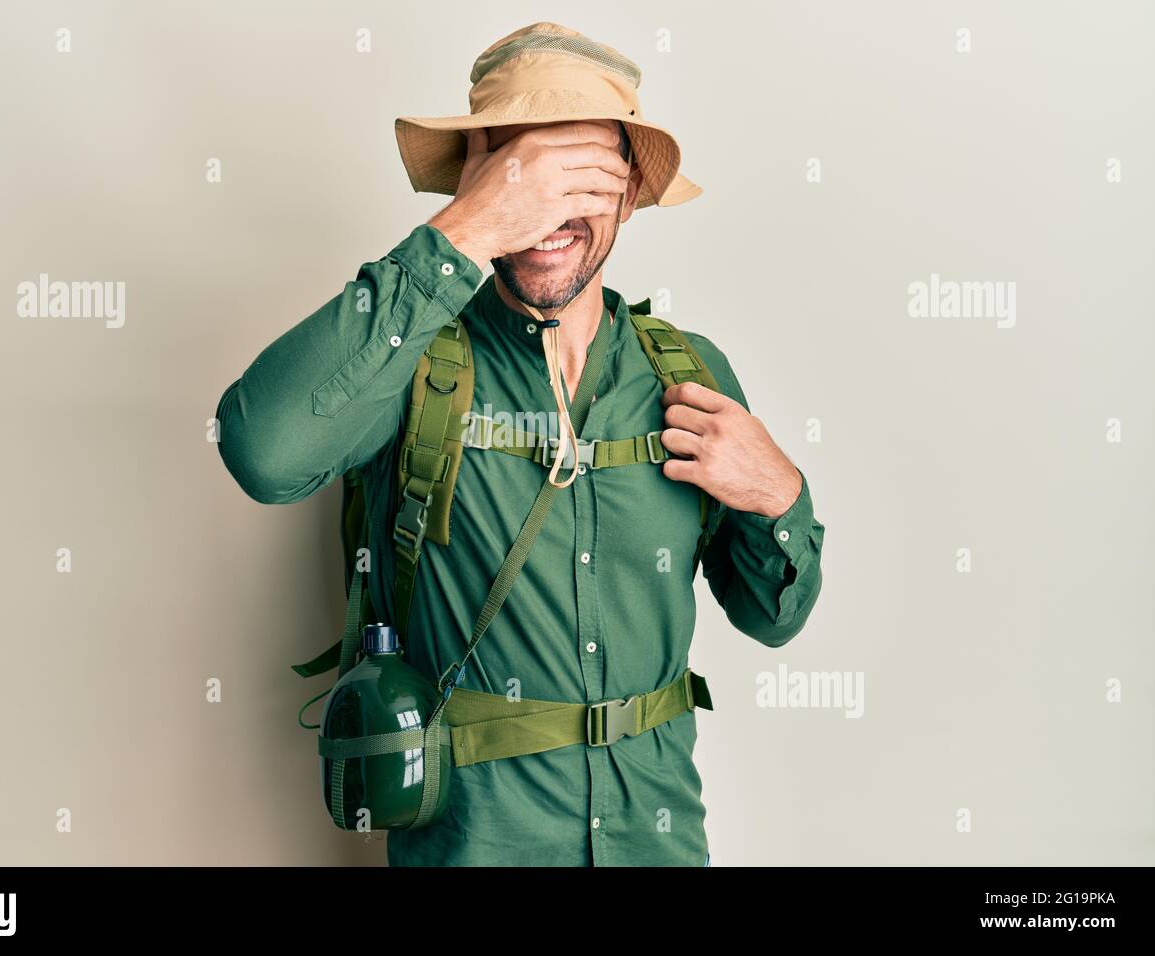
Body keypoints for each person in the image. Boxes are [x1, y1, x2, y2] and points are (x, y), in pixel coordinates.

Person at [214, 22, 825, 866]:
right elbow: (262, 451)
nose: (548, 211)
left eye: (581, 177)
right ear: (471, 185)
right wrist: (465, 234)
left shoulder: (687, 371)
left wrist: (781, 496)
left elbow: (774, 618)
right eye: (518, 176)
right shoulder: (409, 361)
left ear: (630, 193)